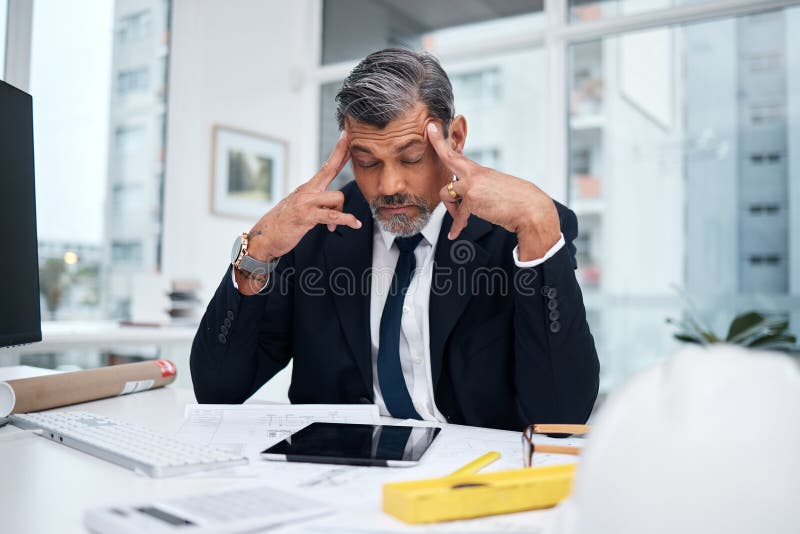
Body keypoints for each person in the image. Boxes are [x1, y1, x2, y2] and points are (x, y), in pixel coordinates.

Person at [190, 48, 599, 430]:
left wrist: (541, 229)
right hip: (337, 471)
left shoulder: (523, 229)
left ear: (454, 138)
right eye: (367, 162)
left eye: (411, 158)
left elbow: (560, 417)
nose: (388, 186)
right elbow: (217, 391)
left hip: (472, 479)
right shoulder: (314, 230)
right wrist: (257, 250)